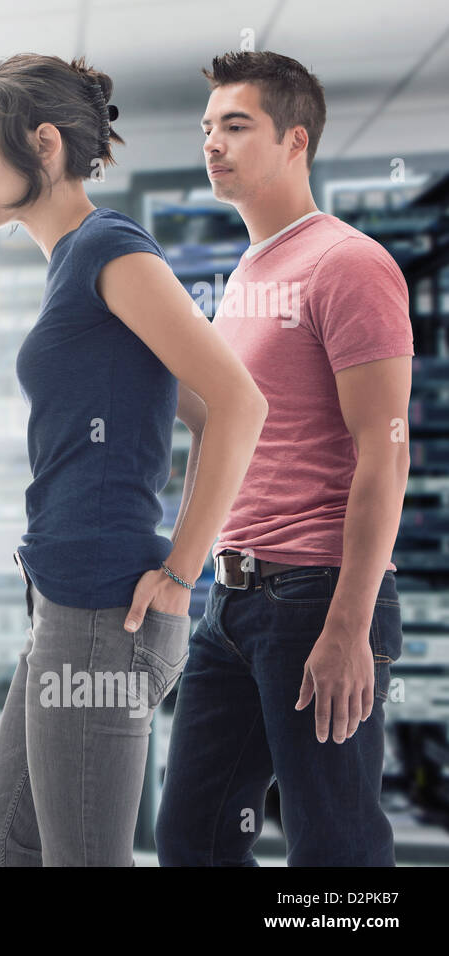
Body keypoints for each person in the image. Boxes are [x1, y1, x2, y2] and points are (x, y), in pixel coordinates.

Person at [0, 53, 267, 866]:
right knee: (5, 854)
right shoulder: (72, 264)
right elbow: (179, 400)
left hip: (104, 612)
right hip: (67, 606)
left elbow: (238, 404)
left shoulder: (108, 247)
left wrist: (184, 576)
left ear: (42, 144)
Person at [155, 51, 413, 867]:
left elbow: (385, 450)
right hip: (229, 605)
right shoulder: (247, 275)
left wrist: (350, 627)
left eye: (237, 126)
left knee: (333, 847)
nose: (213, 143)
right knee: (190, 838)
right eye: (207, 128)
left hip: (316, 597)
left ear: (295, 140)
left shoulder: (349, 263)